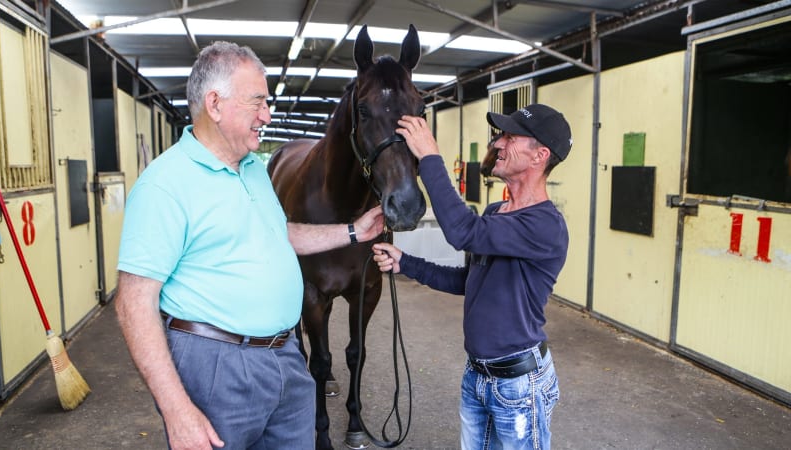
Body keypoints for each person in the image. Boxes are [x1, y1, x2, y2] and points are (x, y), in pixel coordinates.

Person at [115, 41, 384, 450]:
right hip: (217, 366)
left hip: (285, 357)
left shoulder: (254, 169)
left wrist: (353, 231)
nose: (267, 115)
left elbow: (281, 233)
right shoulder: (163, 185)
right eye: (257, 102)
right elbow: (133, 304)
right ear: (215, 104)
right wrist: (176, 410)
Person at [373, 104, 572, 449]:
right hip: (477, 375)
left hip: (518, 384)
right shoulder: (496, 212)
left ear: (540, 155)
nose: (498, 143)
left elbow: (462, 231)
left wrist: (430, 157)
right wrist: (406, 263)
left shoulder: (545, 225)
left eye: (511, 137)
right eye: (501, 135)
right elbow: (468, 282)